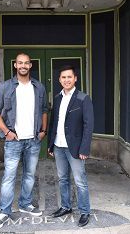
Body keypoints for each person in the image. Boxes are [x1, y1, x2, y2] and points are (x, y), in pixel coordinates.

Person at [0, 53, 48, 230]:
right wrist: (6, 131)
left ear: (31, 66)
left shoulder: (39, 87)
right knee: (9, 176)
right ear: (15, 65)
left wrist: (43, 131)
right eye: (20, 63)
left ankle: (25, 204)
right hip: (13, 140)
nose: (23, 65)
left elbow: (45, 109)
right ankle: (4, 212)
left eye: (26, 63)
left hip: (33, 139)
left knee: (30, 175)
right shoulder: (5, 86)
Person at [47, 65, 94, 227]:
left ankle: (84, 211)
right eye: (63, 77)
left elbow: (88, 126)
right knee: (63, 179)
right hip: (59, 146)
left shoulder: (83, 98)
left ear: (75, 79)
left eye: (69, 77)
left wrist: (84, 148)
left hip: (75, 147)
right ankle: (66, 206)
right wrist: (50, 144)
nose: (66, 80)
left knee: (80, 181)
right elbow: (54, 123)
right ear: (59, 80)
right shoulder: (58, 97)